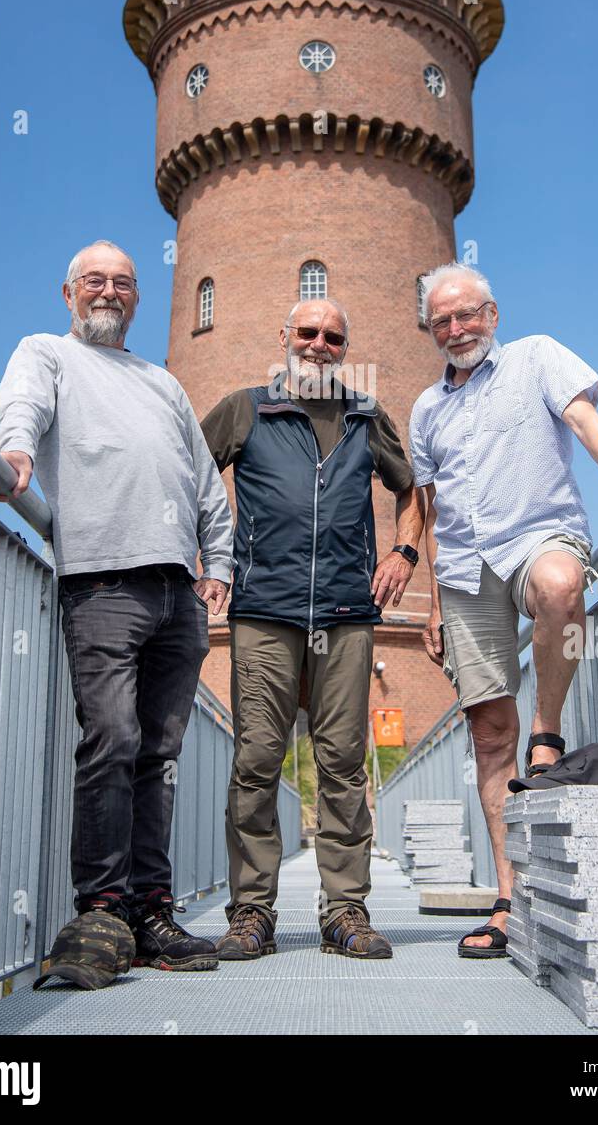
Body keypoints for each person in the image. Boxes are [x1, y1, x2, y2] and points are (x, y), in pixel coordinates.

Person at [0, 239, 233, 975]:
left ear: (138, 299)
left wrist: (217, 562)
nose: (109, 292)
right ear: (69, 294)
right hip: (101, 581)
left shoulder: (164, 383)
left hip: (175, 594)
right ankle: (100, 911)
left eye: (122, 283)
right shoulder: (49, 354)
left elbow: (203, 483)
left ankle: (151, 911)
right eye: (95, 281)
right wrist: (15, 453)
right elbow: (21, 405)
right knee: (112, 740)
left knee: (160, 757)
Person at [409, 263, 598, 960]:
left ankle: (548, 735)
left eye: (468, 315)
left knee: (560, 586)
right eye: (442, 321)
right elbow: (428, 507)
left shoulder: (537, 356)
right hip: (464, 573)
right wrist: (431, 602)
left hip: (536, 535)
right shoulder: (426, 409)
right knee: (489, 735)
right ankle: (509, 897)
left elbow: (585, 418)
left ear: (492, 313)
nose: (457, 329)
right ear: (431, 330)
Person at [200, 298, 425, 960]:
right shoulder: (248, 408)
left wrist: (404, 553)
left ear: (343, 346)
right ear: (285, 338)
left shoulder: (365, 415)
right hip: (263, 611)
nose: (319, 344)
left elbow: (411, 488)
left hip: (345, 613)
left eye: (332, 336)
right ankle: (251, 915)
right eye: (308, 333)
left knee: (344, 765)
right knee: (256, 761)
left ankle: (345, 912)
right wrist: (205, 561)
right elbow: (187, 474)